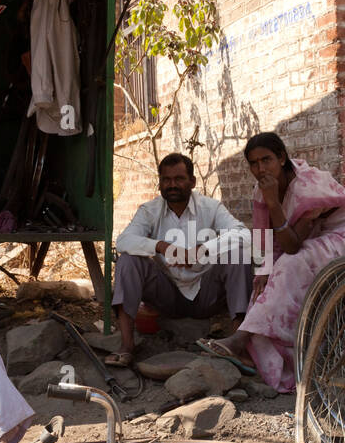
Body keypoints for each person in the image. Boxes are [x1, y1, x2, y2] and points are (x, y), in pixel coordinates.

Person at [198, 132, 345, 393]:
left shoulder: (308, 187)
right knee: (265, 278)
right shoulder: (261, 189)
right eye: (254, 163)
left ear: (282, 158)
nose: (260, 169)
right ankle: (255, 356)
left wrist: (273, 202)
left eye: (266, 160)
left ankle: (240, 339)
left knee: (289, 265)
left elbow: (292, 245)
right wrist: (262, 271)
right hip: (311, 237)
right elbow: (262, 237)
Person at [108, 152, 253, 366]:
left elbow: (243, 234)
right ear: (159, 184)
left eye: (178, 179)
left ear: (192, 182)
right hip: (166, 295)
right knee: (128, 260)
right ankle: (127, 346)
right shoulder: (150, 211)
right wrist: (160, 246)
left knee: (239, 254)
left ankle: (236, 345)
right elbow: (123, 241)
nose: (172, 185)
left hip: (206, 294)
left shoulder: (210, 207)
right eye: (166, 180)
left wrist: (204, 249)